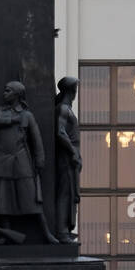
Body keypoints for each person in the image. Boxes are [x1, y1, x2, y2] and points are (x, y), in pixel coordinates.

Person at [0, 80, 57, 243]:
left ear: (17, 95)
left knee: (32, 197)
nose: (4, 93)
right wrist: (13, 120)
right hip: (0, 158)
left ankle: (46, 233)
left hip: (20, 157)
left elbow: (36, 140)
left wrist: (40, 159)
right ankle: (6, 234)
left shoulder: (27, 115)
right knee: (2, 198)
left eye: (8, 91)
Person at [54, 76, 82, 244]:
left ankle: (65, 229)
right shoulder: (63, 109)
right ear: (71, 91)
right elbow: (60, 131)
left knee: (71, 194)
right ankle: (62, 232)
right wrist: (72, 152)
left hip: (71, 156)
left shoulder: (66, 109)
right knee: (65, 193)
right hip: (66, 157)